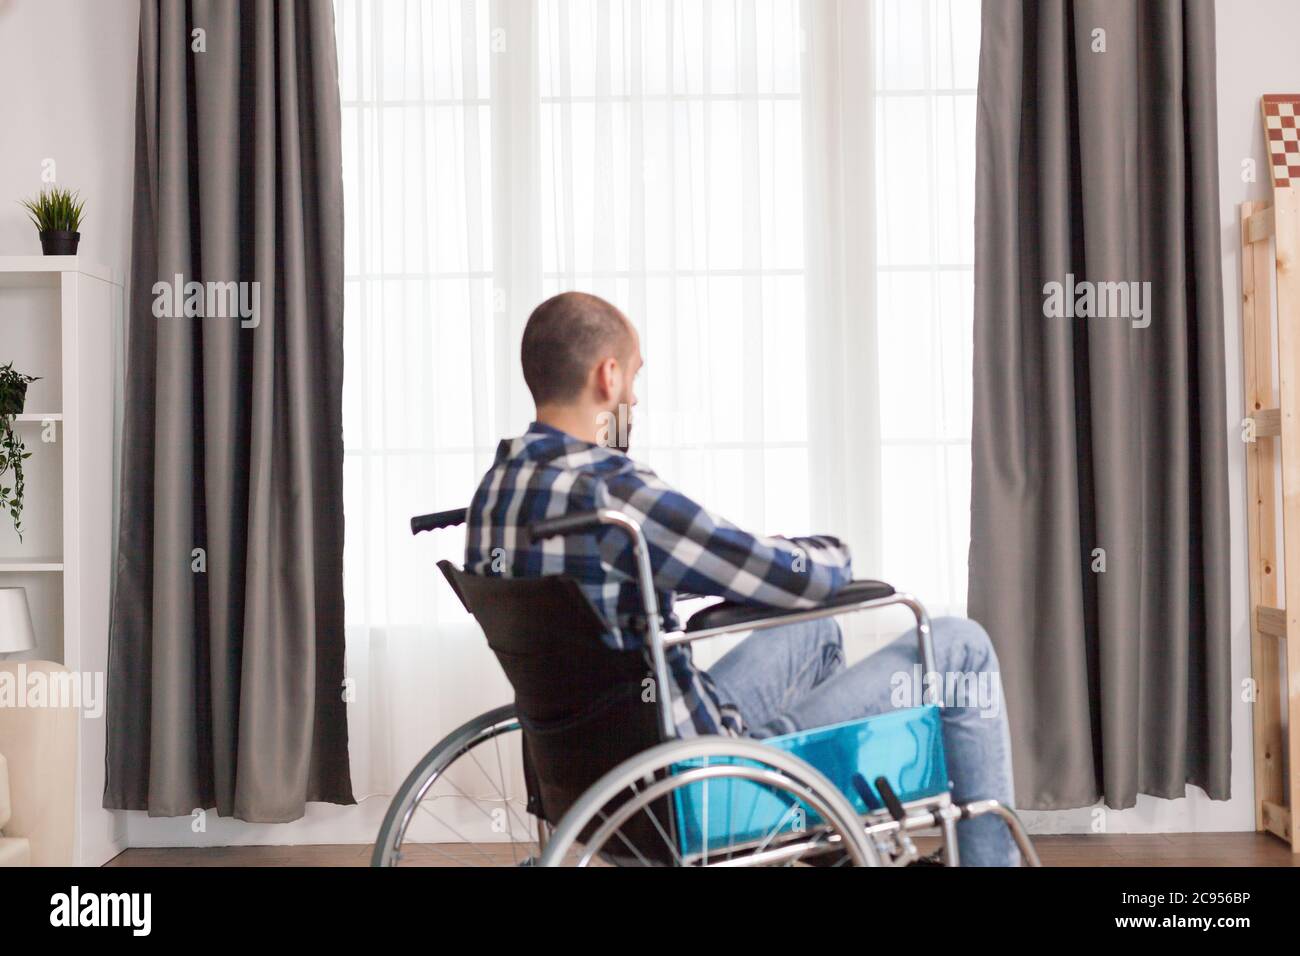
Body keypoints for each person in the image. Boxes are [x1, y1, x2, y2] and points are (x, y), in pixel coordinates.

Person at [465, 291, 1019, 866]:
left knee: (813, 633)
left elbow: (602, 596)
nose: (634, 396)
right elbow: (778, 573)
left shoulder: (495, 494)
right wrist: (832, 553)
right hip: (701, 785)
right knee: (961, 645)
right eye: (633, 377)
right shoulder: (611, 493)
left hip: (590, 782)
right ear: (607, 376)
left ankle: (837, 841)